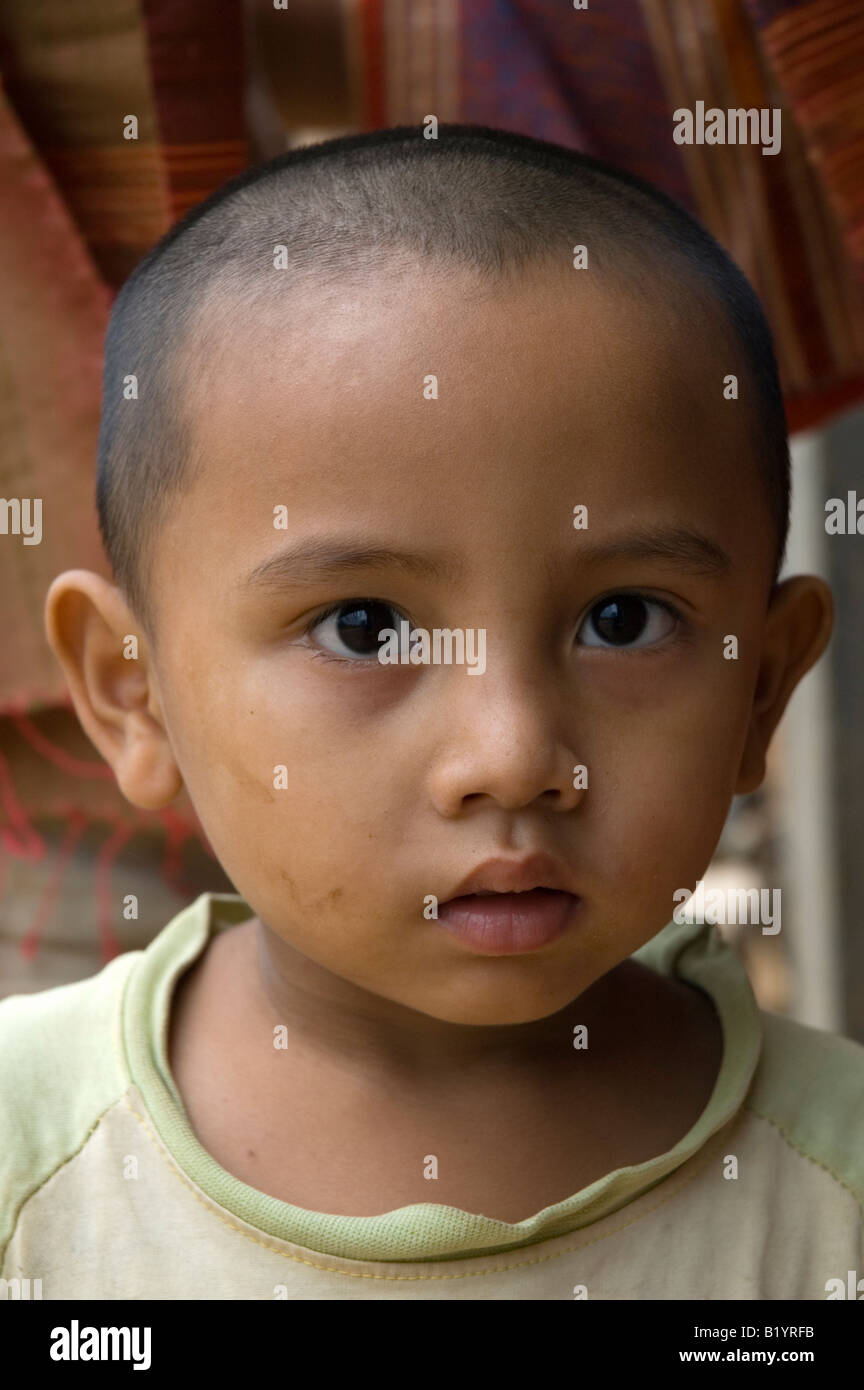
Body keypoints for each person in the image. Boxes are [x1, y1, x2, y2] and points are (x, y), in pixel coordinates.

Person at [2, 124, 861, 1300]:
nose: (511, 756)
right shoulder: (26, 1165)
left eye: (623, 620)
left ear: (763, 685)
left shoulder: (835, 1198)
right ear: (131, 692)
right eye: (366, 628)